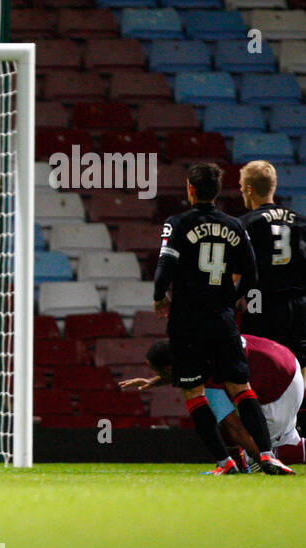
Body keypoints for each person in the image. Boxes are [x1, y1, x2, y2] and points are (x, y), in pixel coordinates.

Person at [153, 162, 293, 475]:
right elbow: (252, 274)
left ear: (190, 189)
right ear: (217, 191)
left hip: (187, 321)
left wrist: (159, 296)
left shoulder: (176, 223)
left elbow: (164, 269)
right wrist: (229, 299)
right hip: (222, 319)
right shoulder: (235, 225)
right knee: (240, 387)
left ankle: (225, 461)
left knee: (194, 391)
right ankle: (267, 454)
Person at [120, 336, 301, 473]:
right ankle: (240, 463)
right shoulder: (197, 344)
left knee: (264, 454)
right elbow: (187, 370)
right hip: (285, 362)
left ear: (168, 368)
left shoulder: (211, 383)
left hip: (279, 388)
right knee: (235, 421)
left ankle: (250, 462)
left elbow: (236, 428)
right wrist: (156, 380)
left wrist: (261, 458)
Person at [236, 160, 306, 370]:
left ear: (249, 189)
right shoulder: (300, 221)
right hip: (299, 301)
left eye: (241, 187)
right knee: (301, 362)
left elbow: (236, 274)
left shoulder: (245, 223)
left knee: (261, 359)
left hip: (262, 301)